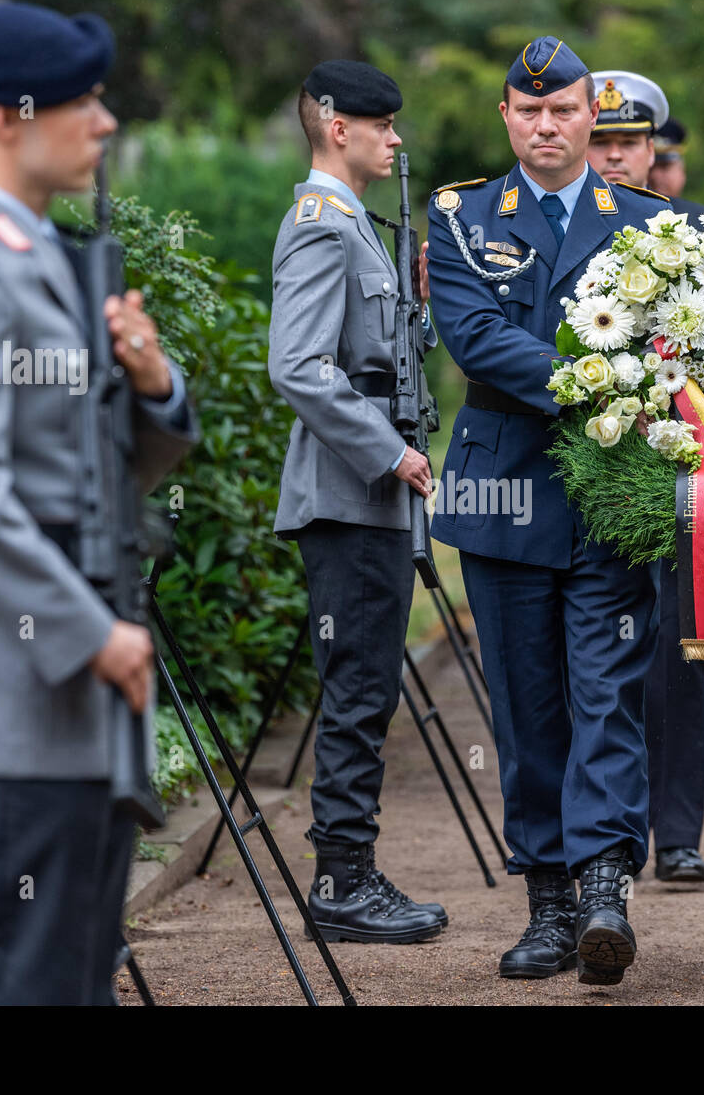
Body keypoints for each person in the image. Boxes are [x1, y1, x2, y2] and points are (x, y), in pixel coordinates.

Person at [0, 1, 199, 1005]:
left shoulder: (38, 257)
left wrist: (151, 385)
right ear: (8, 116)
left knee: (71, 979)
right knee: (21, 986)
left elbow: (105, 469)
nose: (104, 122)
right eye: (84, 99)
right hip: (18, 684)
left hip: (68, 671)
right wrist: (90, 634)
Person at [426, 36, 669, 985]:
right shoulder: (460, 216)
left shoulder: (649, 219)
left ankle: (605, 883)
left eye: (563, 110)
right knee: (528, 710)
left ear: (587, 116)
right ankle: (549, 906)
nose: (546, 125)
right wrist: (601, 377)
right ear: (506, 116)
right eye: (528, 111)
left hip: (616, 491)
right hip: (505, 489)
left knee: (607, 693)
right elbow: (477, 338)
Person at [268, 60, 447, 945]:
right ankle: (342, 882)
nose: (395, 138)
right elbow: (298, 365)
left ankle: (353, 870)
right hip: (349, 496)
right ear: (340, 128)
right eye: (383, 125)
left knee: (367, 692)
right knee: (358, 692)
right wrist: (393, 454)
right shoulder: (320, 227)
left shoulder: (355, 228)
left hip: (366, 498)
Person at [585, 69, 704, 885]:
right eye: (600, 142)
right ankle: (604, 833)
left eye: (627, 143)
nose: (613, 158)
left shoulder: (695, 237)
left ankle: (680, 831)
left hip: (671, 467)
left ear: (653, 149)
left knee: (676, 649)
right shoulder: (552, 227)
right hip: (584, 469)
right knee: (595, 657)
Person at [648, 118, 688, 200]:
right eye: (649, 168)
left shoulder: (701, 212)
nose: (655, 176)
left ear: (682, 171)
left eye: (664, 167)